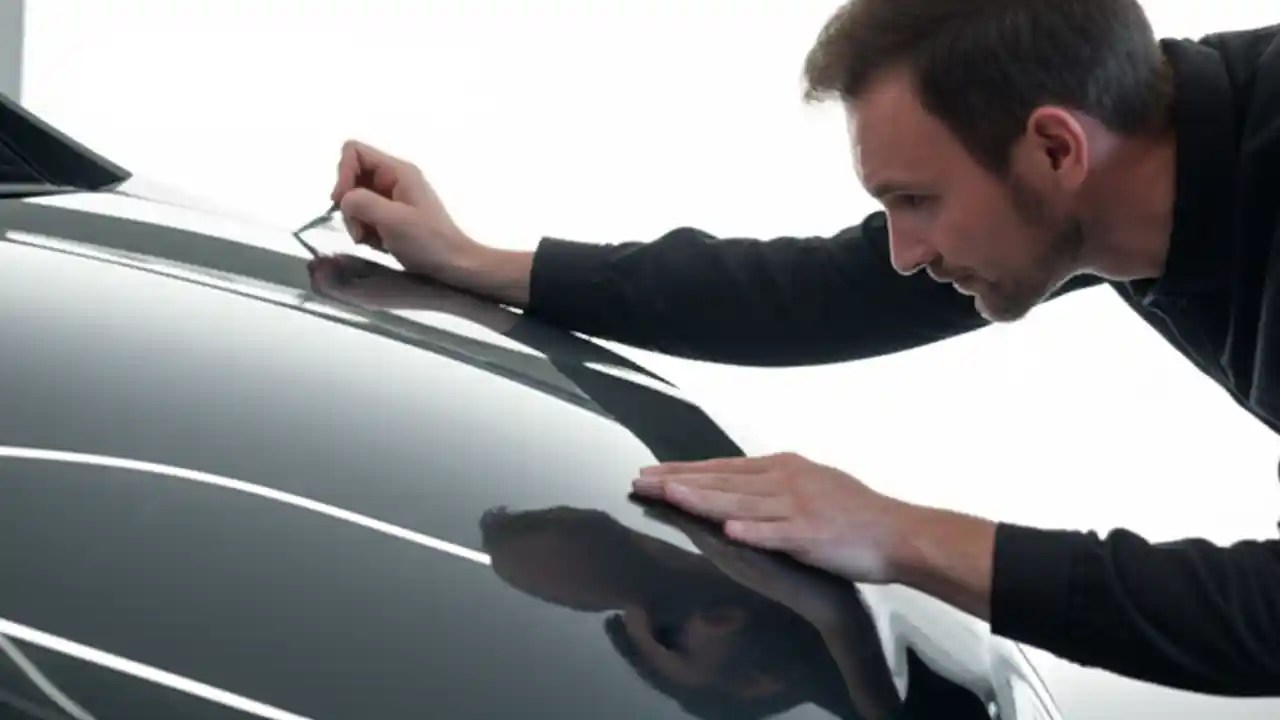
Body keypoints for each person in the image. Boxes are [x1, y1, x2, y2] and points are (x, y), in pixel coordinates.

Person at [327, 0, 1280, 696]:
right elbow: (822, 291)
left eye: (916, 201)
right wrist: (476, 262)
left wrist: (899, 534)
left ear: (1057, 150)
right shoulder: (1144, 154)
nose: (906, 252)